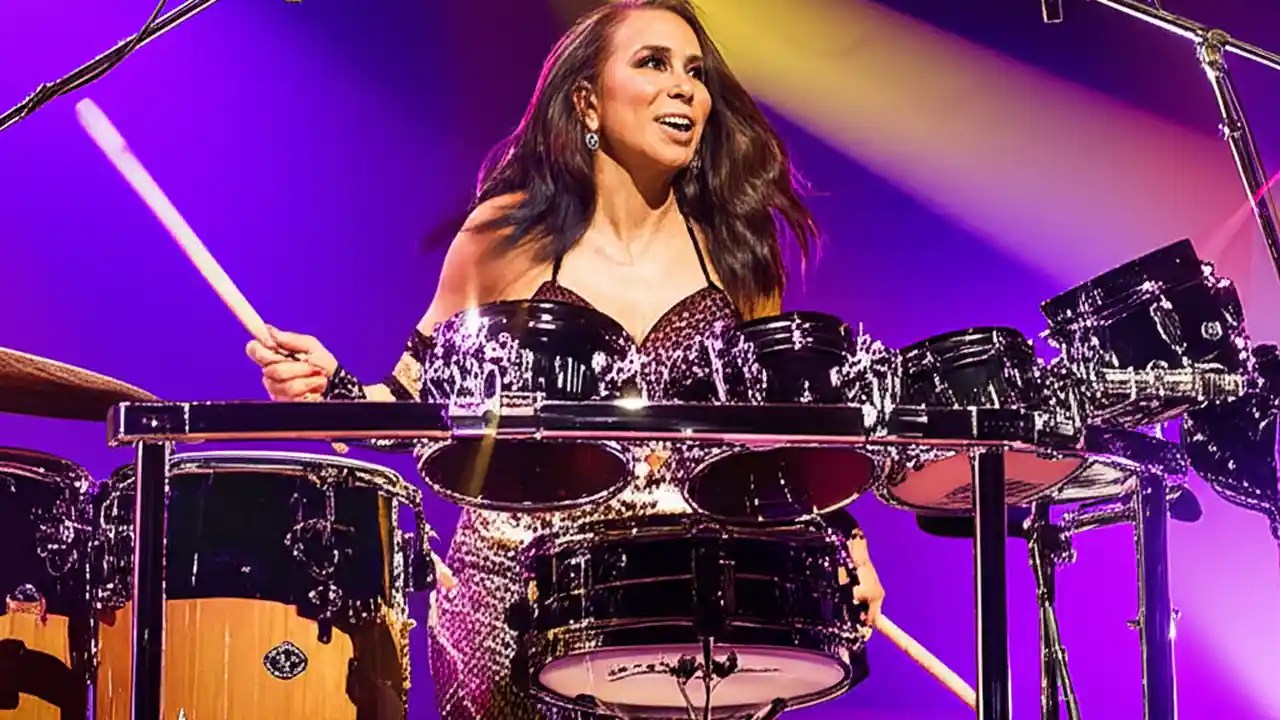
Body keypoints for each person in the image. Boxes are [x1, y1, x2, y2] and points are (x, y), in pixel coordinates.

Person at [246, 1, 886, 717]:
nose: (685, 88)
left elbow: (768, 449)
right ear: (587, 99)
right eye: (653, 63)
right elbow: (416, 402)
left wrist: (841, 541)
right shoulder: (504, 235)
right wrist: (328, 387)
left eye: (695, 72)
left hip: (680, 599)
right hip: (515, 597)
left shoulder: (739, 254)